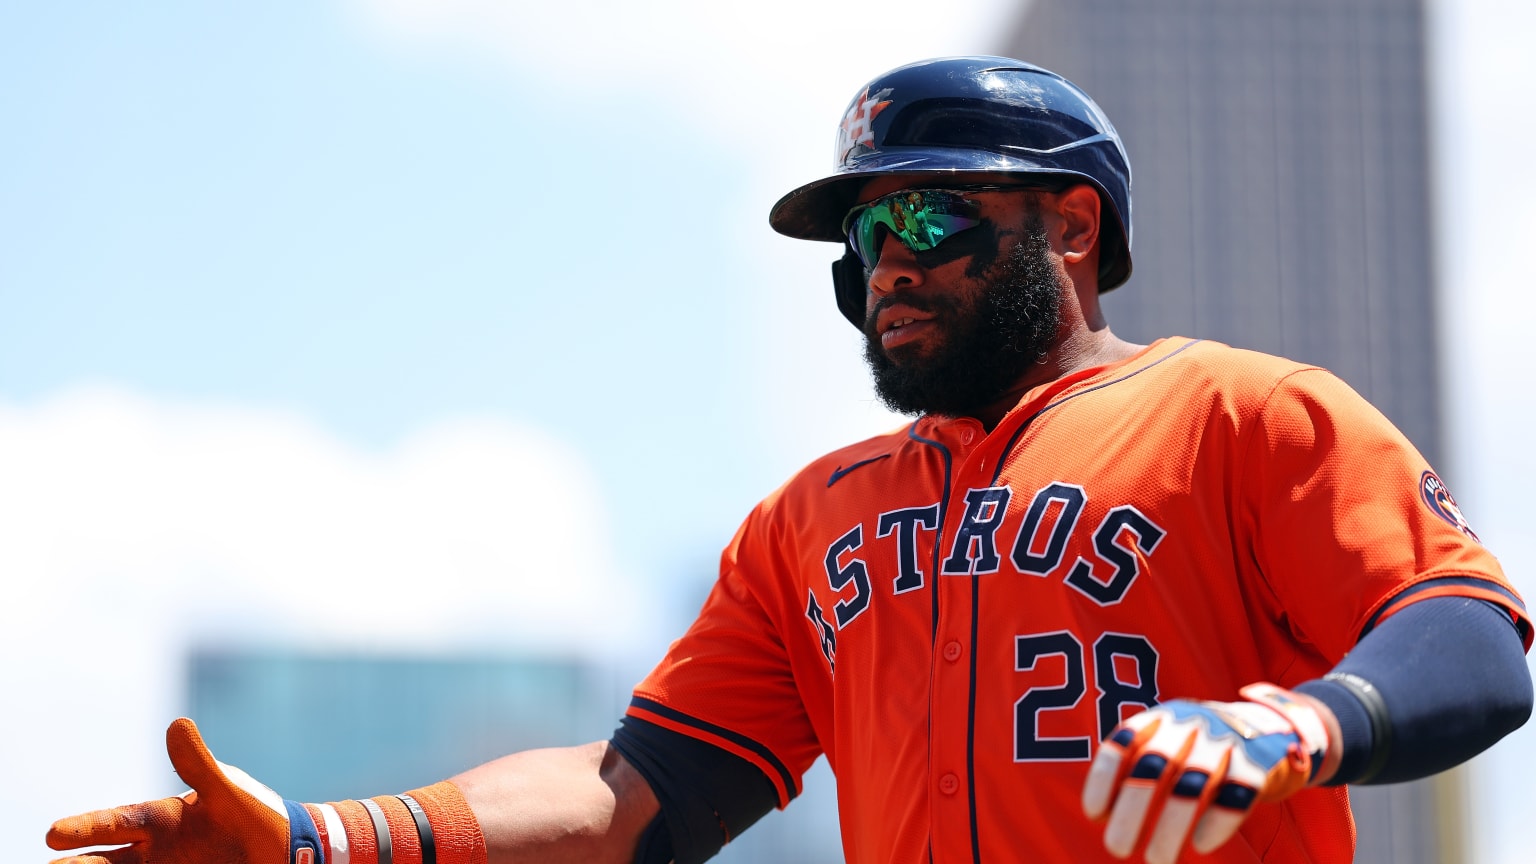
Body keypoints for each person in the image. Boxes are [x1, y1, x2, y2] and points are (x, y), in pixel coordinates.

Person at [45, 55, 1532, 864]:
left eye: (932, 220)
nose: (887, 264)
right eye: (862, 240)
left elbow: (1475, 631)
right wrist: (322, 843)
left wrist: (1296, 724)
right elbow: (637, 799)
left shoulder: (1242, 413)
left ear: (1071, 229)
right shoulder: (811, 521)